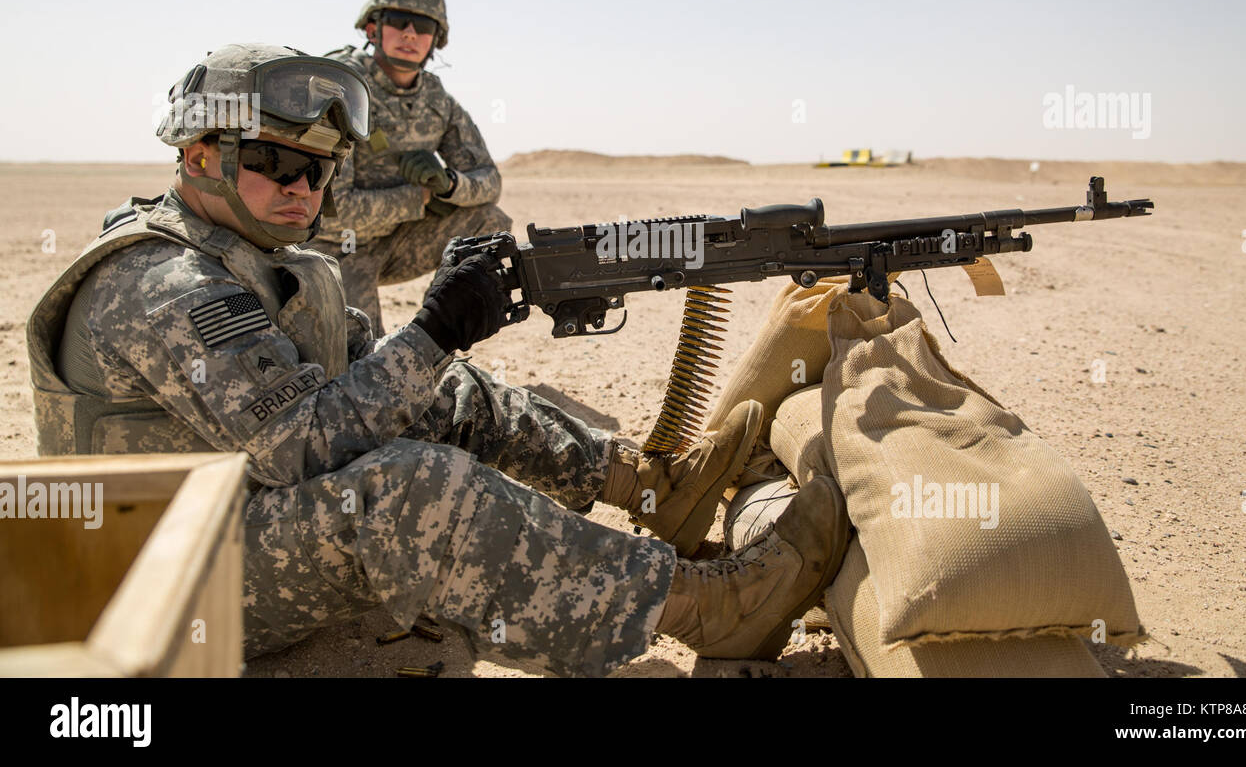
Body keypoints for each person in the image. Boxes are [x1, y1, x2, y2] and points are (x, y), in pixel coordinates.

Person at [26, 44, 851, 677]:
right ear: (199, 155)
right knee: (413, 488)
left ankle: (641, 484)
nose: (301, 190)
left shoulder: (267, 256)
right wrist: (434, 329)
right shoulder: (162, 282)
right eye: (273, 164)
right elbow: (300, 448)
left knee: (440, 391)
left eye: (316, 171)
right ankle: (711, 611)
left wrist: (441, 340)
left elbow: (376, 388)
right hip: (150, 585)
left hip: (223, 523)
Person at [309, 0, 511, 335]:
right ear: (373, 29)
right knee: (360, 362)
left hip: (396, 242)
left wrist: (450, 185)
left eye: (422, 26)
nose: (409, 34)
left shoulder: (435, 98)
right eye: (398, 23)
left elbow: (489, 181)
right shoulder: (339, 87)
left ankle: (437, 335)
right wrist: (417, 199)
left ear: (436, 40)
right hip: (334, 250)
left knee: (489, 224)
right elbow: (330, 211)